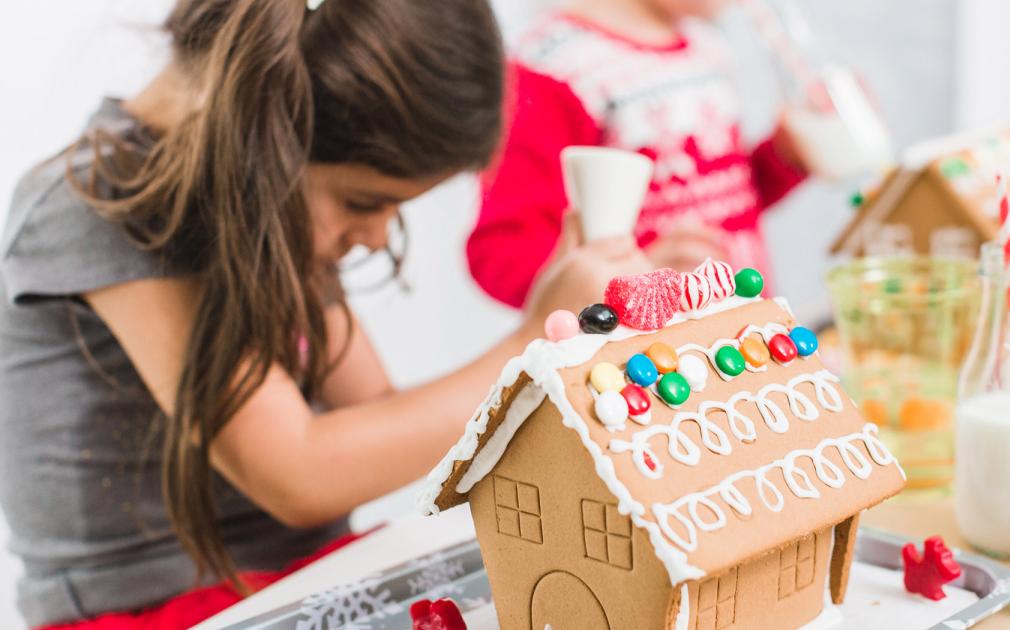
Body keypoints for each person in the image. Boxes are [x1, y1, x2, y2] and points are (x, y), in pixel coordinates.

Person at [0, 0, 645, 627]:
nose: (372, 235)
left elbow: (379, 413)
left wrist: (561, 323)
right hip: (157, 608)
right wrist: (532, 342)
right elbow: (300, 473)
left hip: (303, 579)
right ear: (269, 138)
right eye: (365, 200)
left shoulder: (262, 194)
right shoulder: (103, 204)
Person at [465, 0, 808, 309]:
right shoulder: (552, 67)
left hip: (744, 336)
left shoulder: (708, 47)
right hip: (648, 364)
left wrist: (783, 158)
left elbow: (718, 200)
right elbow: (501, 252)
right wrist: (628, 281)